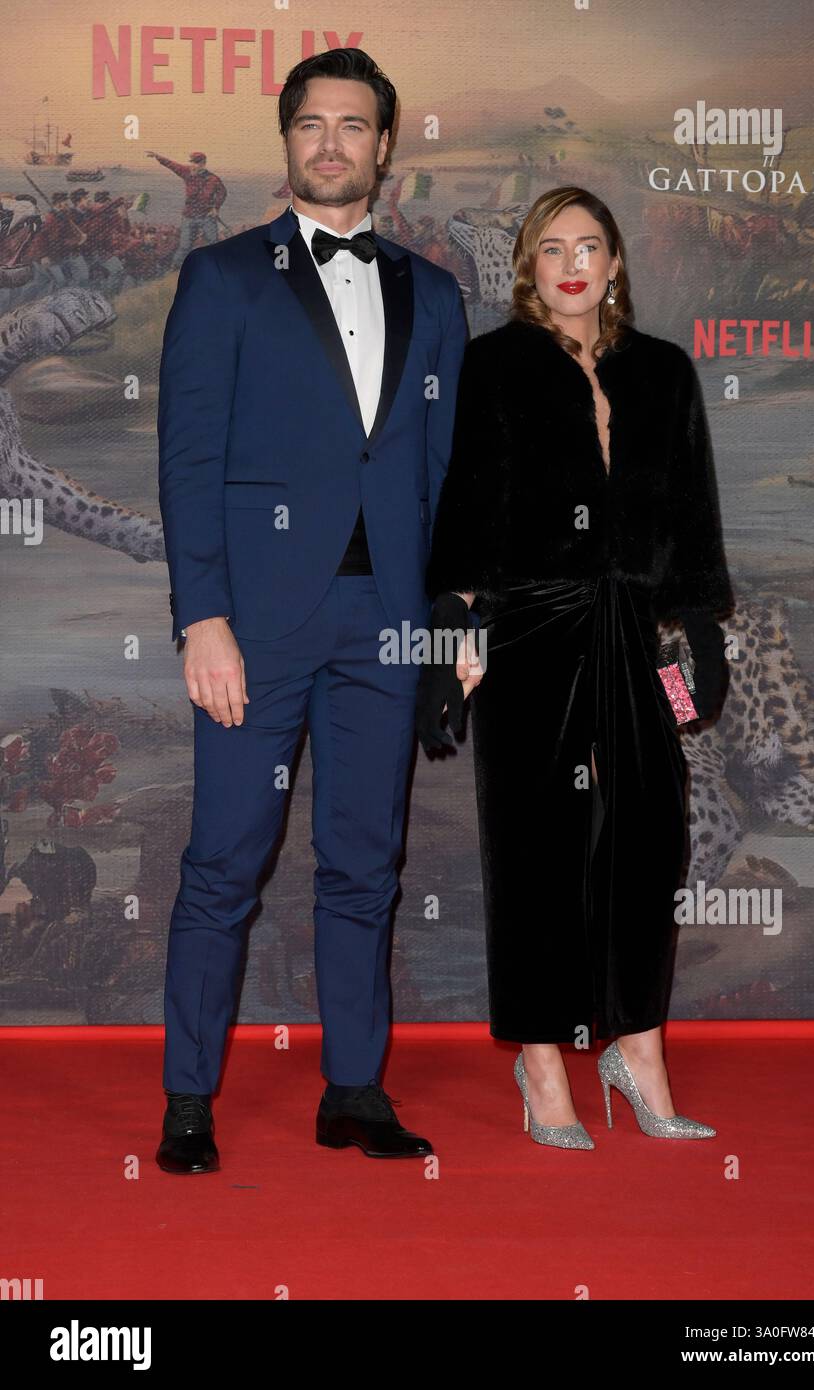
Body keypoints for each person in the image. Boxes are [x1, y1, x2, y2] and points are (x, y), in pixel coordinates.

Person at [156, 48, 468, 1173]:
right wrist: (202, 618)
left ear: (385, 145)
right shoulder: (225, 278)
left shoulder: (433, 295)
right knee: (224, 861)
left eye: (353, 126)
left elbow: (443, 480)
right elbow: (189, 459)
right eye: (311, 125)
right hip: (259, 622)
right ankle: (188, 1097)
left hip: (384, 620)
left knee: (363, 859)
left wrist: (450, 624)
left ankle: (354, 1088)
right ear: (286, 141)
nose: (331, 143)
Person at [417, 186, 735, 1149]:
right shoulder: (496, 366)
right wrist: (446, 645)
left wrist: (704, 633)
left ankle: (639, 1052)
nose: (570, 264)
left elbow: (689, 518)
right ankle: (543, 1058)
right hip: (530, 640)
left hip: (633, 638)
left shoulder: (666, 373)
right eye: (550, 247)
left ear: (613, 261)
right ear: (527, 264)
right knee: (536, 853)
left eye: (588, 245)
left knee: (644, 849)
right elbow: (467, 521)